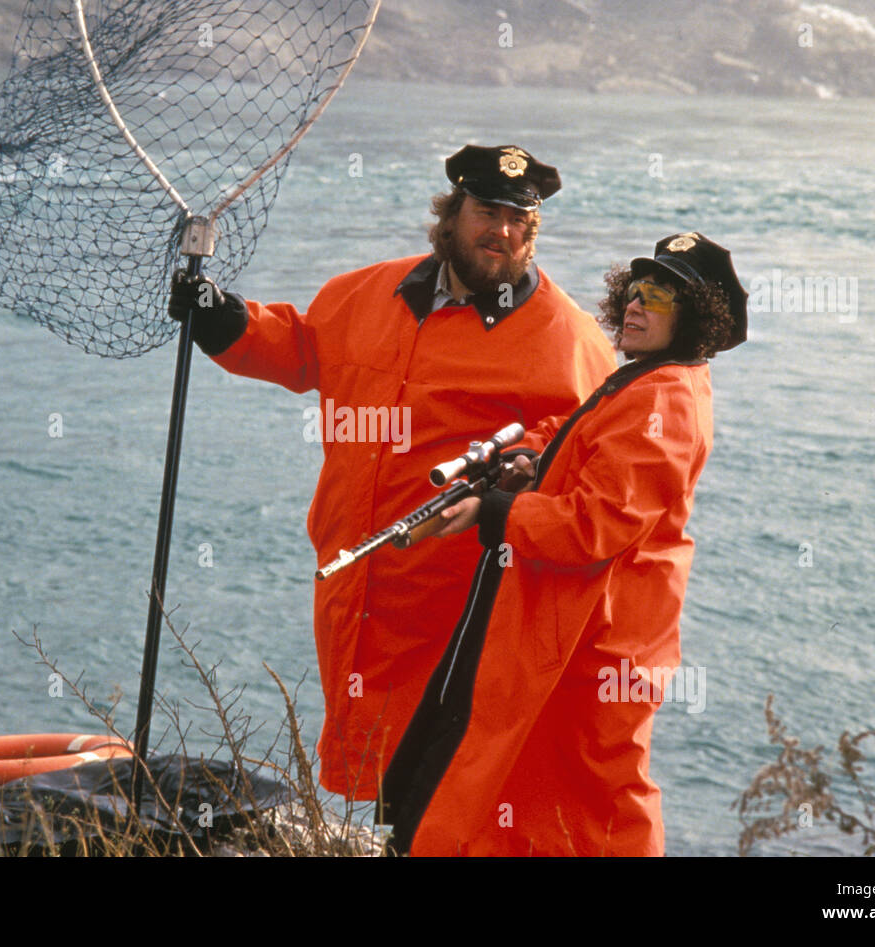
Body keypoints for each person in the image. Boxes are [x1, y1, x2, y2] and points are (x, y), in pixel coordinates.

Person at [168, 145, 618, 800]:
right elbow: (299, 348)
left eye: (521, 219)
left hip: (459, 604)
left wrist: (527, 464)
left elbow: (588, 447)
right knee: (374, 775)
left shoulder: (569, 338)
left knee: (448, 780)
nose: (504, 230)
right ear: (451, 213)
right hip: (353, 587)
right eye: (488, 211)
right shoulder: (363, 294)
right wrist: (222, 319)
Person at [380, 232, 747, 855]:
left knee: (600, 794)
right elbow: (582, 444)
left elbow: (594, 524)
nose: (635, 304)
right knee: (535, 787)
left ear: (696, 317)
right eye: (634, 289)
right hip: (581, 631)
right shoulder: (648, 382)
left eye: (659, 295)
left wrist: (495, 510)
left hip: (599, 643)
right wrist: (530, 461)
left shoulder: (668, 400)